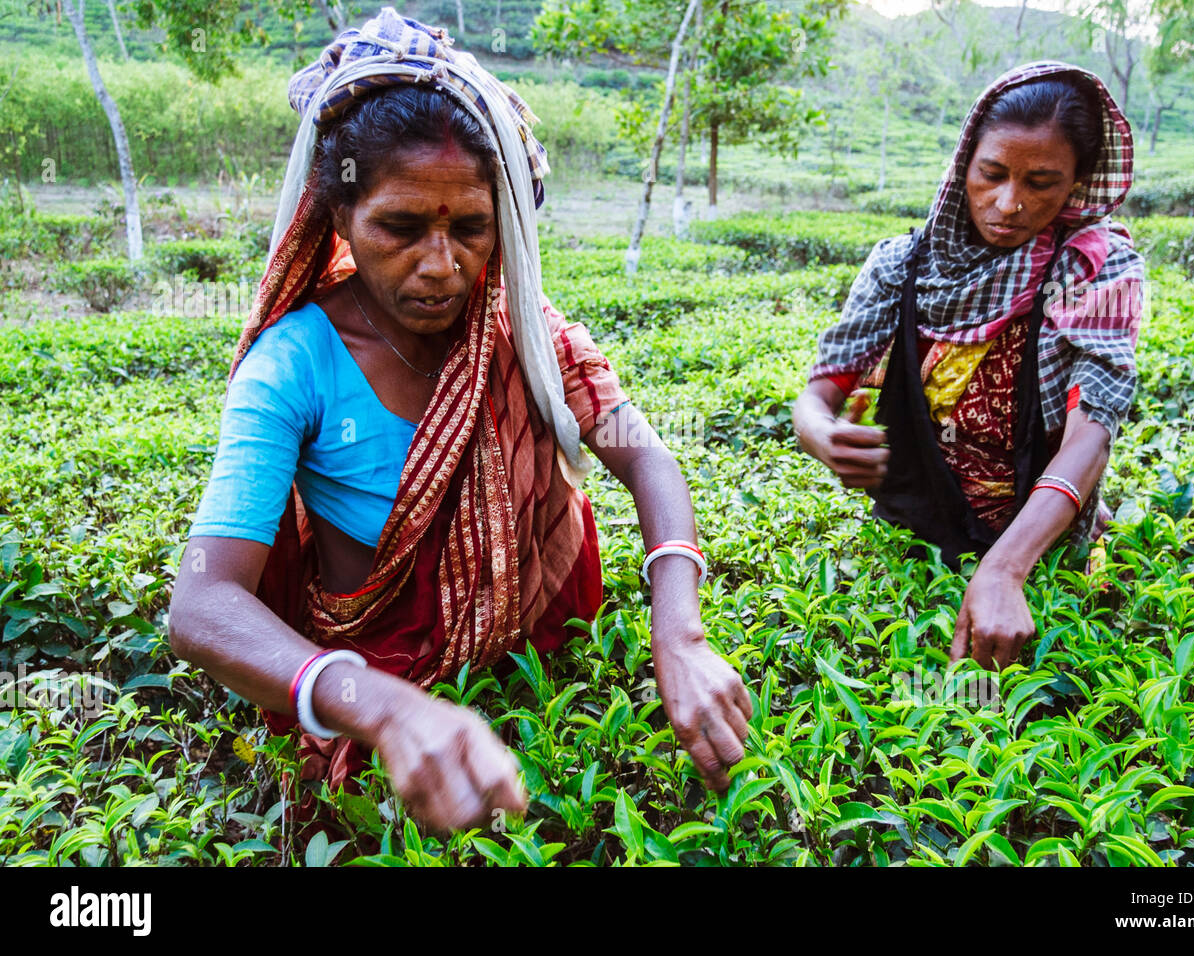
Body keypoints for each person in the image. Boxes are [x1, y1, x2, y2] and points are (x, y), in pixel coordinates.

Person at [168, 7, 750, 836]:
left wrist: (681, 633)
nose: (442, 266)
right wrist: (384, 708)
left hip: (540, 631)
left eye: (469, 228)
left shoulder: (520, 328)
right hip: (379, 654)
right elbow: (201, 603)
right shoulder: (291, 366)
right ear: (338, 219)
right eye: (401, 228)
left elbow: (645, 458)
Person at [793, 62, 1144, 671]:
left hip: (1041, 540)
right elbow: (820, 391)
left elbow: (1095, 427)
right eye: (993, 174)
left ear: (1077, 183)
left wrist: (1007, 568)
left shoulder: (1095, 270)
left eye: (1042, 182)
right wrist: (821, 434)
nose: (1009, 204)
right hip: (914, 528)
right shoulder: (902, 264)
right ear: (965, 164)